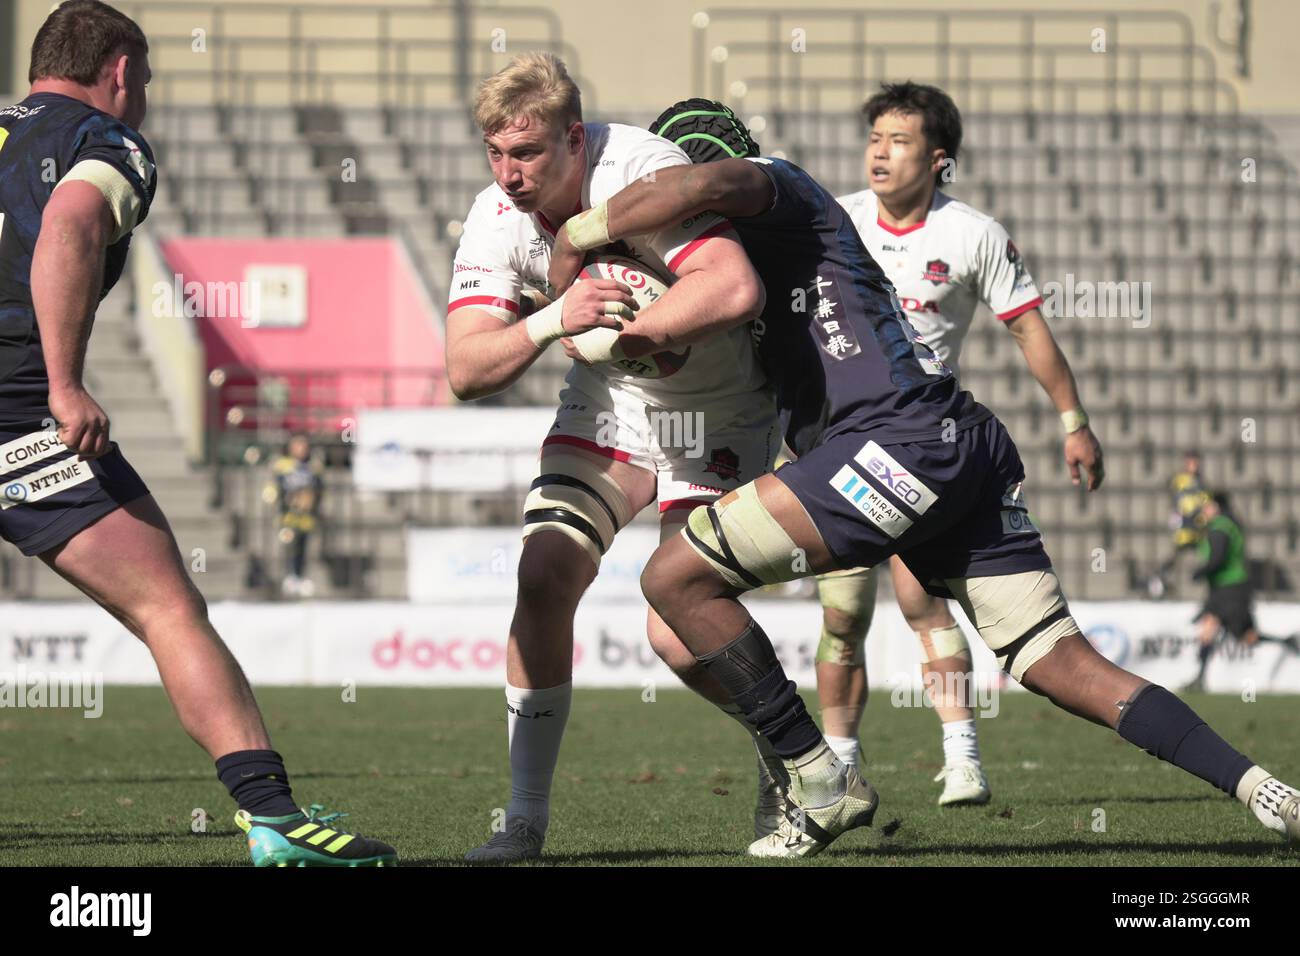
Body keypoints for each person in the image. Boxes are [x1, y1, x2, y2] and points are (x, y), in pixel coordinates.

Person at [547, 102, 1300, 857]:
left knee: (675, 580)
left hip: (892, 443)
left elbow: (701, 186)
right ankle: (1264, 792)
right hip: (952, 443)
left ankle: (822, 777)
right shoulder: (734, 261)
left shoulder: (775, 185)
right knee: (1059, 661)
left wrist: (578, 230)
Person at [0, 0, 394, 866]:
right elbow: (67, 225)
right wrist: (65, 386)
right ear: (120, 71)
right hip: (18, 419)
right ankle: (274, 818)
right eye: (144, 78)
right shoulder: (106, 142)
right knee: (169, 607)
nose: (143, 94)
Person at [444, 54, 781, 862]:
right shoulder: (495, 215)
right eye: (494, 152)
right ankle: (523, 820)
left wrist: (638, 333)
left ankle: (790, 750)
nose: (508, 174)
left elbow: (735, 289)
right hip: (611, 405)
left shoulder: (642, 170)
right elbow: (465, 369)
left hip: (718, 410)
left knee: (675, 631)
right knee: (543, 571)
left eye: (524, 154)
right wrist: (555, 318)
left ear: (573, 137)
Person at [749, 82, 1103, 810]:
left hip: (921, 442)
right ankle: (840, 768)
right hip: (833, 441)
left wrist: (1072, 420)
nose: (881, 152)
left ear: (939, 160)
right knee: (842, 616)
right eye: (874, 137)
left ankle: (962, 758)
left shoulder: (972, 234)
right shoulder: (834, 218)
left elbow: (1028, 328)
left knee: (924, 603)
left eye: (899, 140)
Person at [1183, 491, 1299, 691]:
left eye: (1208, 506)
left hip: (1230, 590)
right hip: (1226, 589)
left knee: (1246, 637)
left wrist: (1200, 572)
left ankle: (1288, 642)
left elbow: (1217, 558)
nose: (1205, 510)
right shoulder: (1227, 525)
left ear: (1217, 507)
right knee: (1210, 628)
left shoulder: (1220, 527)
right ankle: (1199, 679)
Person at [266, 432, 323, 597]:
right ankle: (288, 576)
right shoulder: (282, 465)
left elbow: (319, 489)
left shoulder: (313, 467)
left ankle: (300, 575)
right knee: (289, 544)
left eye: (304, 445)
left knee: (303, 545)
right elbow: (274, 487)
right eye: (297, 444)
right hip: (288, 514)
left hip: (306, 516)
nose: (301, 448)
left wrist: (312, 501)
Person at [1149, 450, 1211, 599]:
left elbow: (1205, 502)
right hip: (1182, 527)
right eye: (1191, 462)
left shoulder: (1202, 483)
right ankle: (1158, 583)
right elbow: (1171, 494)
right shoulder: (1180, 479)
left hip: (1198, 528)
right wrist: (1174, 513)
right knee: (1172, 556)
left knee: (1206, 556)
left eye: (1196, 462)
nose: (1194, 465)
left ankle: (1205, 587)